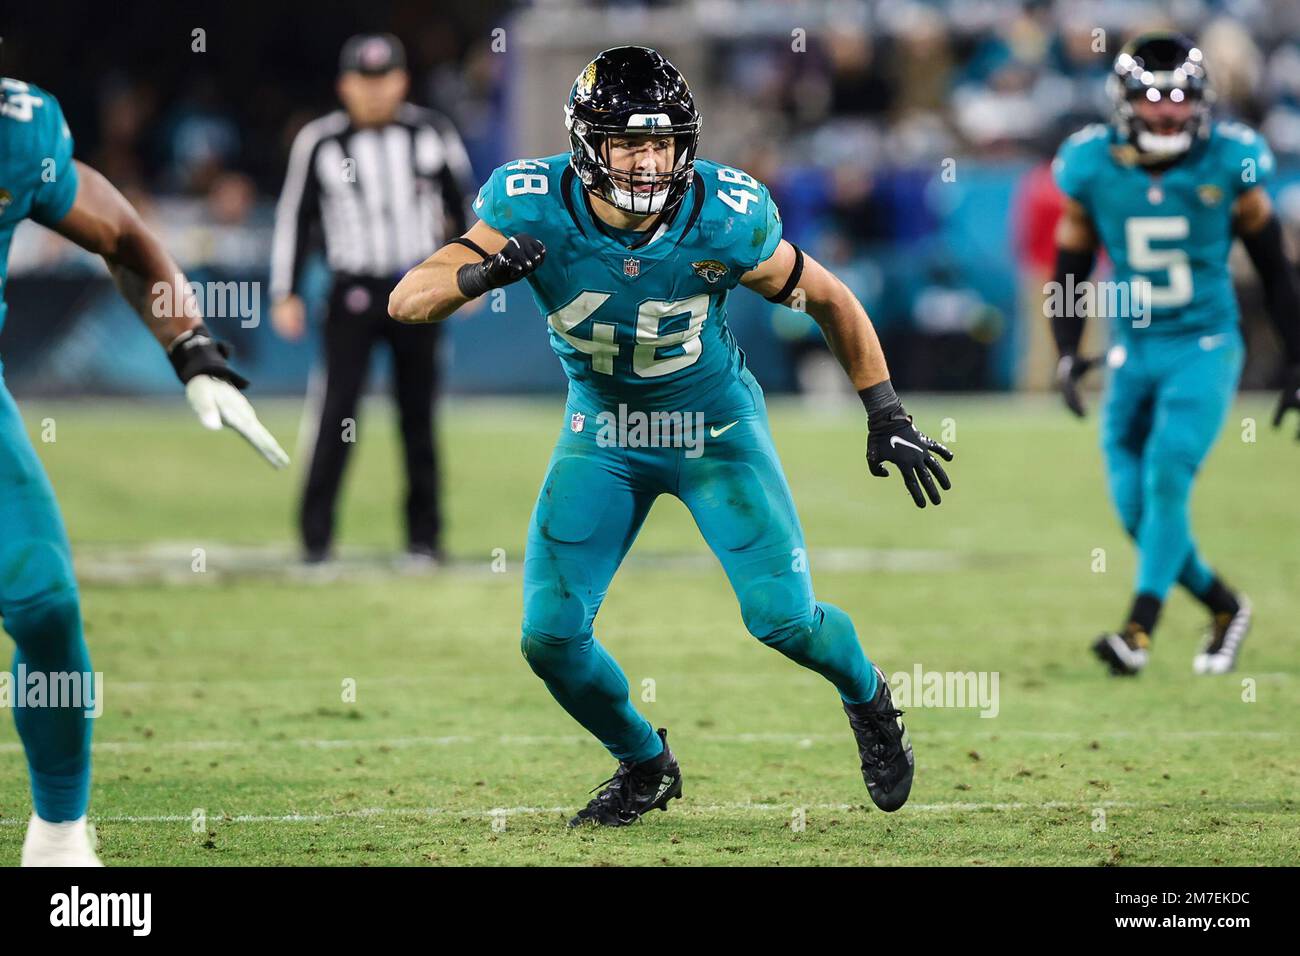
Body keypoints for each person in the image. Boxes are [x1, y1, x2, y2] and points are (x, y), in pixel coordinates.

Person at [389, 47, 956, 825]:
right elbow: (407, 299)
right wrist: (476, 277)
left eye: (661, 143)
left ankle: (870, 698)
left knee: (783, 621)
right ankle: (643, 762)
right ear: (589, 144)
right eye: (628, 142)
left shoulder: (723, 214)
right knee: (549, 638)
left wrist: (886, 412)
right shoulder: (530, 205)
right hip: (606, 432)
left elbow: (829, 297)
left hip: (714, 430)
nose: (649, 161)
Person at [0, 75, 287, 865]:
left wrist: (191, 348)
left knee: (46, 604)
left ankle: (57, 836)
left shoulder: (19, 133)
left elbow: (122, 235)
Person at [1049, 33, 1300, 676]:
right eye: (1154, 98)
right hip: (1130, 349)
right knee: (1135, 508)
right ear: (1126, 102)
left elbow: (1275, 270)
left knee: (1167, 474)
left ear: (1202, 101)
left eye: (1182, 97)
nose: (1168, 111)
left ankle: (1138, 629)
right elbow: (1071, 258)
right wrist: (1067, 351)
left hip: (1205, 344)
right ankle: (1224, 605)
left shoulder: (1232, 161)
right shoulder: (1090, 164)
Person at [270, 33, 474, 563]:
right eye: (365, 80)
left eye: (385, 79)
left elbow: (465, 208)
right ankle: (316, 541)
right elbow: (295, 217)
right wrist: (285, 290)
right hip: (352, 292)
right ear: (345, 85)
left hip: (420, 288)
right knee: (336, 413)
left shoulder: (431, 133)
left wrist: (472, 275)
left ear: (403, 81)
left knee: (419, 416)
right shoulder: (319, 141)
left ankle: (424, 540)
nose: (376, 91)